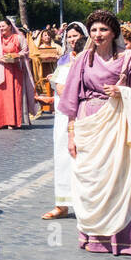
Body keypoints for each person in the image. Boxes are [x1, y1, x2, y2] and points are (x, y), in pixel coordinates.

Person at [57, 10, 131, 255]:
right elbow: (71, 97)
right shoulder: (83, 59)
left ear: (114, 32)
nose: (98, 34)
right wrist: (71, 134)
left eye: (103, 29)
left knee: (122, 178)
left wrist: (124, 92)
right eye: (93, 30)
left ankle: (126, 239)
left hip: (121, 125)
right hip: (88, 124)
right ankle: (95, 238)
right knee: (93, 180)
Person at [42, 22, 88, 220]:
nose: (72, 39)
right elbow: (59, 84)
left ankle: (85, 203)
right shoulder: (63, 60)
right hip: (63, 114)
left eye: (76, 35)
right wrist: (55, 81)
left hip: (82, 112)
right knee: (62, 155)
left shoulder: (90, 58)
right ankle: (62, 203)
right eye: (69, 36)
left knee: (83, 157)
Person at [0, 17, 37, 129]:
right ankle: (1, 121)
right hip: (1, 70)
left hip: (15, 70)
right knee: (1, 96)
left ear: (10, 26)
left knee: (14, 95)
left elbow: (25, 51)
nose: (1, 28)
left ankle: (13, 121)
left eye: (3, 26)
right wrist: (0, 59)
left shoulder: (18, 38)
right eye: (0, 26)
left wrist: (16, 56)